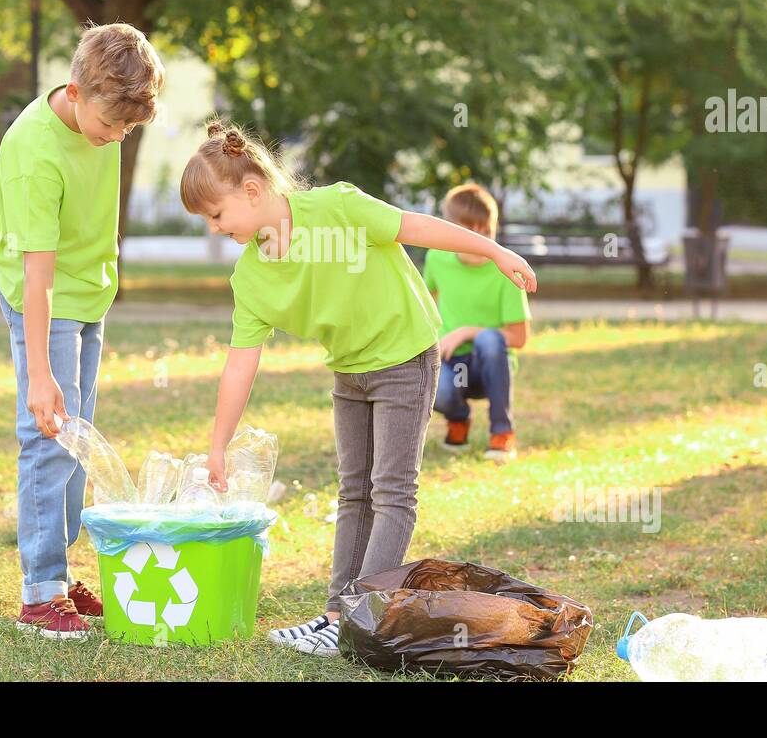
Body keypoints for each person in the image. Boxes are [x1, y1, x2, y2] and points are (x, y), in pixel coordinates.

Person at [181, 119, 536, 656]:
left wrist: (493, 251)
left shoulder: (338, 209)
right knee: (354, 492)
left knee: (392, 491)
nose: (213, 228)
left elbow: (415, 228)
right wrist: (216, 445)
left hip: (404, 356)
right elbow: (239, 365)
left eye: (216, 214)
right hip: (350, 370)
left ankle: (362, 619)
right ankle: (335, 614)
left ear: (252, 191)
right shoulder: (251, 277)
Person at [0, 22, 165, 638]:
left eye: (126, 130)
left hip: (88, 294)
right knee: (47, 433)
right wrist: (39, 376)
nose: (116, 138)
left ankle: (61, 579)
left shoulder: (107, 109)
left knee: (77, 439)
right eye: (109, 127)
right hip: (45, 299)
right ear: (74, 91)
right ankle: (39, 592)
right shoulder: (33, 154)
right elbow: (35, 277)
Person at [424, 183, 530, 462]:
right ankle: (459, 419)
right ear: (451, 231)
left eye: (488, 232)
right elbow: (423, 303)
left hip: (491, 368)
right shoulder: (437, 258)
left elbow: (519, 338)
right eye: (472, 233)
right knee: (431, 385)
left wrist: (467, 331)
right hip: (451, 362)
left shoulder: (505, 268)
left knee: (489, 339)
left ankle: (502, 433)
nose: (482, 241)